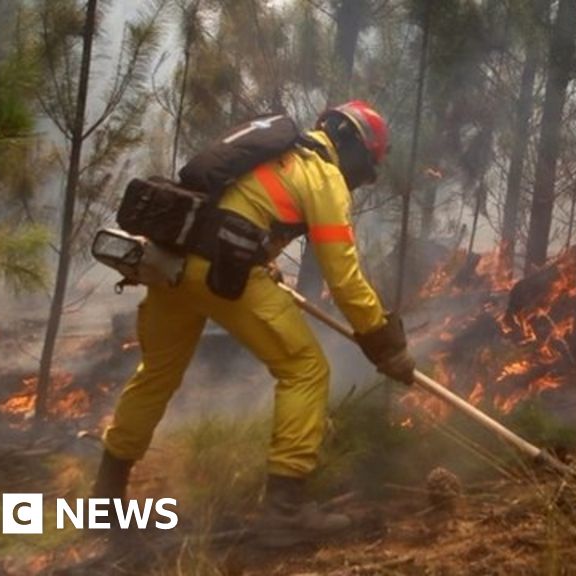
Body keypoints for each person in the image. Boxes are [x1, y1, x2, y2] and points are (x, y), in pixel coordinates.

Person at [91, 101, 416, 546]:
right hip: (222, 271)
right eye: (368, 168)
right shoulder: (322, 175)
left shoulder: (274, 151)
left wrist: (263, 258)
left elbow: (238, 208)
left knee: (156, 376)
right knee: (305, 370)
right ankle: (285, 512)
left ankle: (106, 500)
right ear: (355, 148)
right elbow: (343, 277)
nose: (363, 180)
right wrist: (383, 340)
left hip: (172, 262)